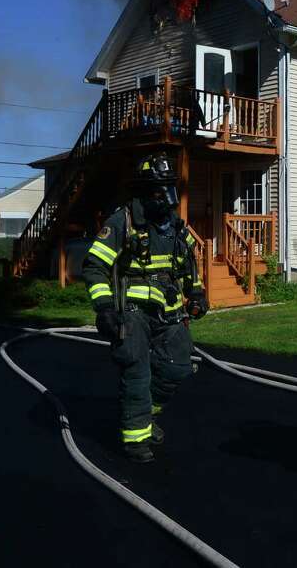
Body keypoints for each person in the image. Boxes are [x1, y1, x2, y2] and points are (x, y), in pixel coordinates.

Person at [81, 152, 209, 463]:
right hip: (132, 314)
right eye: (160, 192)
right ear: (143, 193)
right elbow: (94, 265)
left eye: (170, 190)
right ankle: (135, 438)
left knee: (177, 368)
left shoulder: (174, 227)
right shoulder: (121, 222)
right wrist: (105, 308)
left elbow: (187, 265)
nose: (167, 198)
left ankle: (145, 416)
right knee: (137, 371)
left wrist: (196, 293)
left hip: (169, 312)